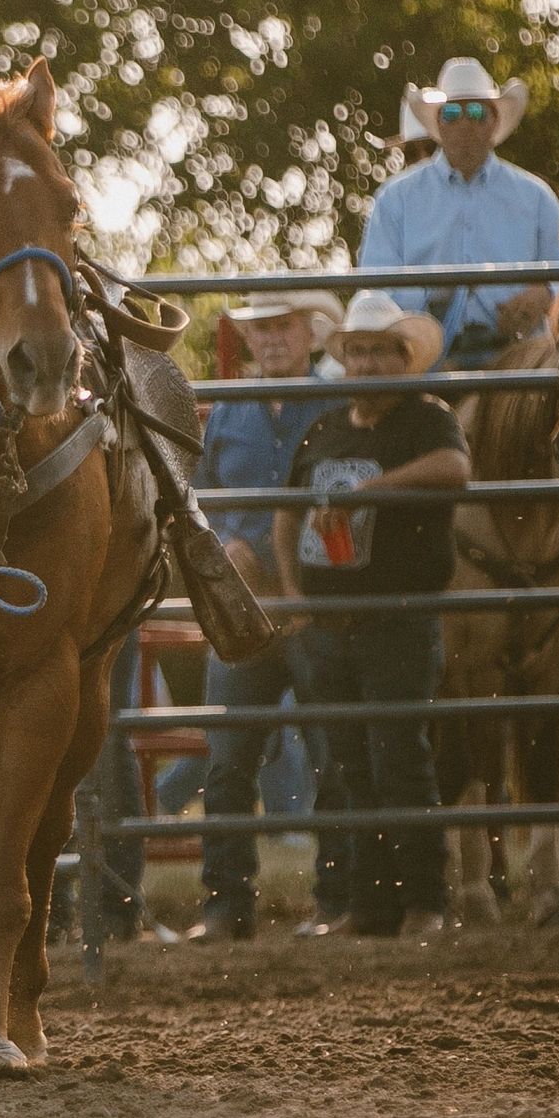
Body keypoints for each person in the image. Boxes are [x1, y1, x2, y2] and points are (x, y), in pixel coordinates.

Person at [273, 291, 470, 937]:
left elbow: (454, 469)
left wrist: (369, 491)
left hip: (398, 618)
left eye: (377, 351)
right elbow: (286, 511)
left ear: (402, 358)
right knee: (348, 767)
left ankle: (425, 902)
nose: (362, 364)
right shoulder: (325, 426)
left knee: (400, 760)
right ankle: (370, 903)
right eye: (355, 351)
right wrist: (295, 599)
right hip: (329, 623)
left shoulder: (427, 418)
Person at [186, 289, 342, 940]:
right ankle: (226, 903)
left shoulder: (337, 406)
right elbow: (200, 494)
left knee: (337, 754)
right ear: (248, 341)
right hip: (247, 610)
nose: (273, 339)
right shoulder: (228, 412)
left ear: (308, 333)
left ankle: (339, 899)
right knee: (227, 762)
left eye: (284, 327)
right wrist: (228, 539)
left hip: (319, 607)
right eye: (262, 330)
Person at [359, 56, 559, 372]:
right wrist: (428, 306)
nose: (464, 123)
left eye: (477, 112)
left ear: (495, 121)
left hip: (518, 358)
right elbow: (375, 288)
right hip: (420, 360)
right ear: (437, 124)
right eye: (452, 113)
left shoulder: (536, 197)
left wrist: (545, 293)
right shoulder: (395, 199)